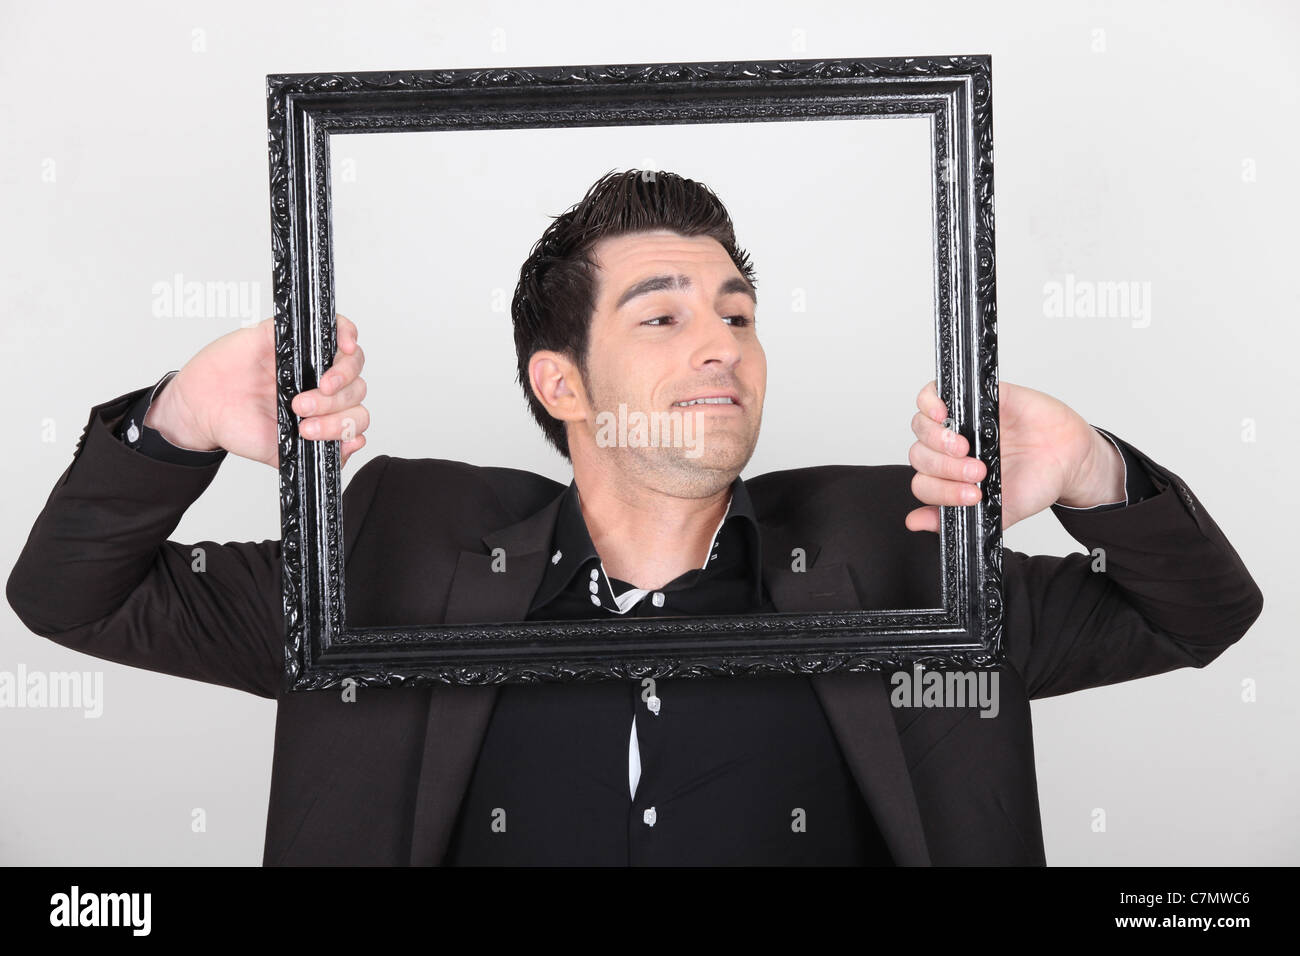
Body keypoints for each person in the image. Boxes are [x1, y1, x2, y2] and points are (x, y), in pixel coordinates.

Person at [7, 170, 1263, 865]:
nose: (720, 343)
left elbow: (1203, 614)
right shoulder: (392, 550)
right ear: (563, 383)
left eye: (737, 311)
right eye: (662, 315)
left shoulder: (900, 554)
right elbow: (73, 593)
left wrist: (1098, 471)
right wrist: (173, 421)